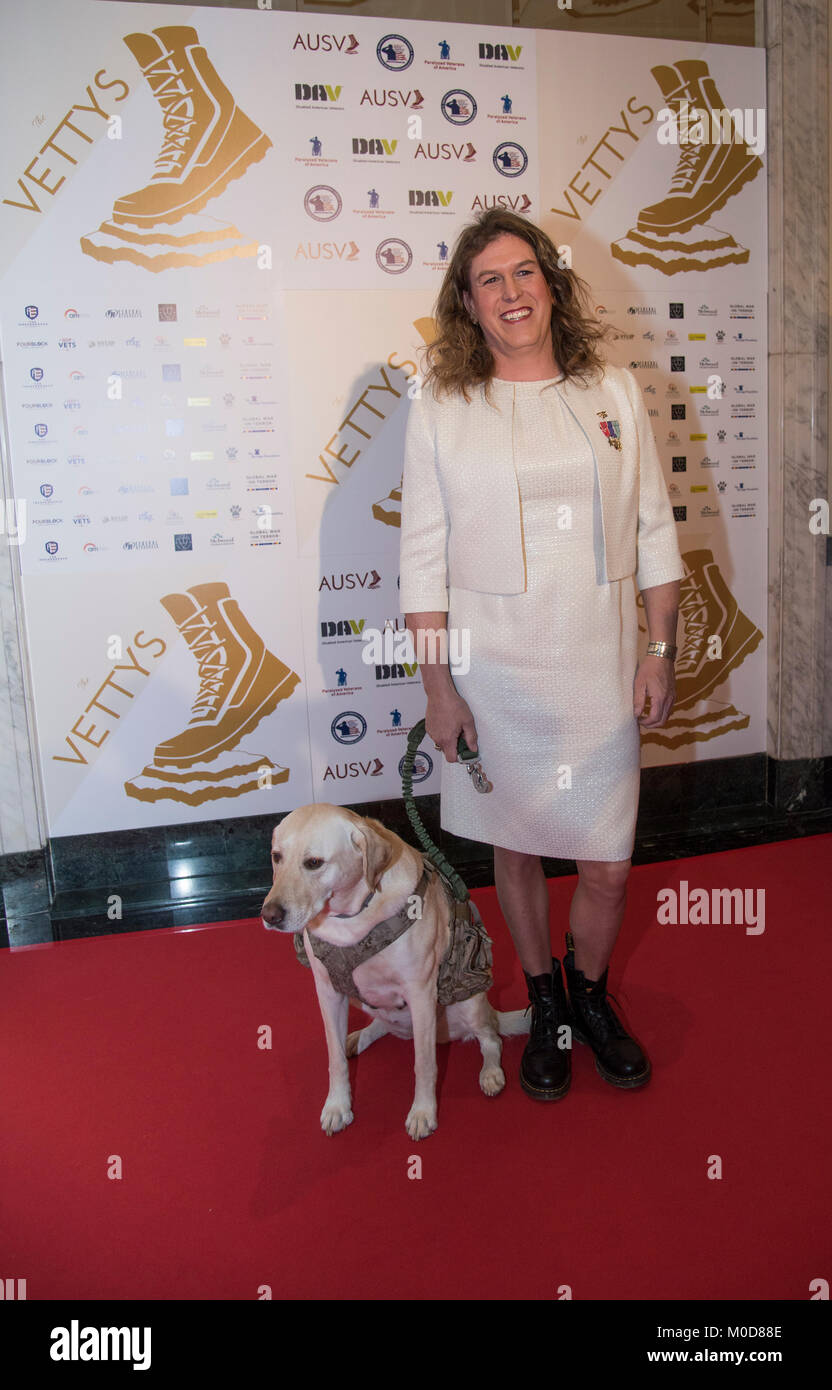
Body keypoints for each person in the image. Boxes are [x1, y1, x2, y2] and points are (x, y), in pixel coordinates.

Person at [399, 209, 684, 1102]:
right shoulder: (442, 403)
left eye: (524, 272)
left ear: (551, 283)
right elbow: (423, 558)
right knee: (517, 850)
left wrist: (662, 649)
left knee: (606, 862)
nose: (512, 292)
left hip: (597, 660)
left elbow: (654, 529)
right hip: (496, 669)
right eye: (490, 279)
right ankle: (550, 1004)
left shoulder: (612, 388)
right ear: (469, 304)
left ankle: (592, 994)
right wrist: (439, 691)